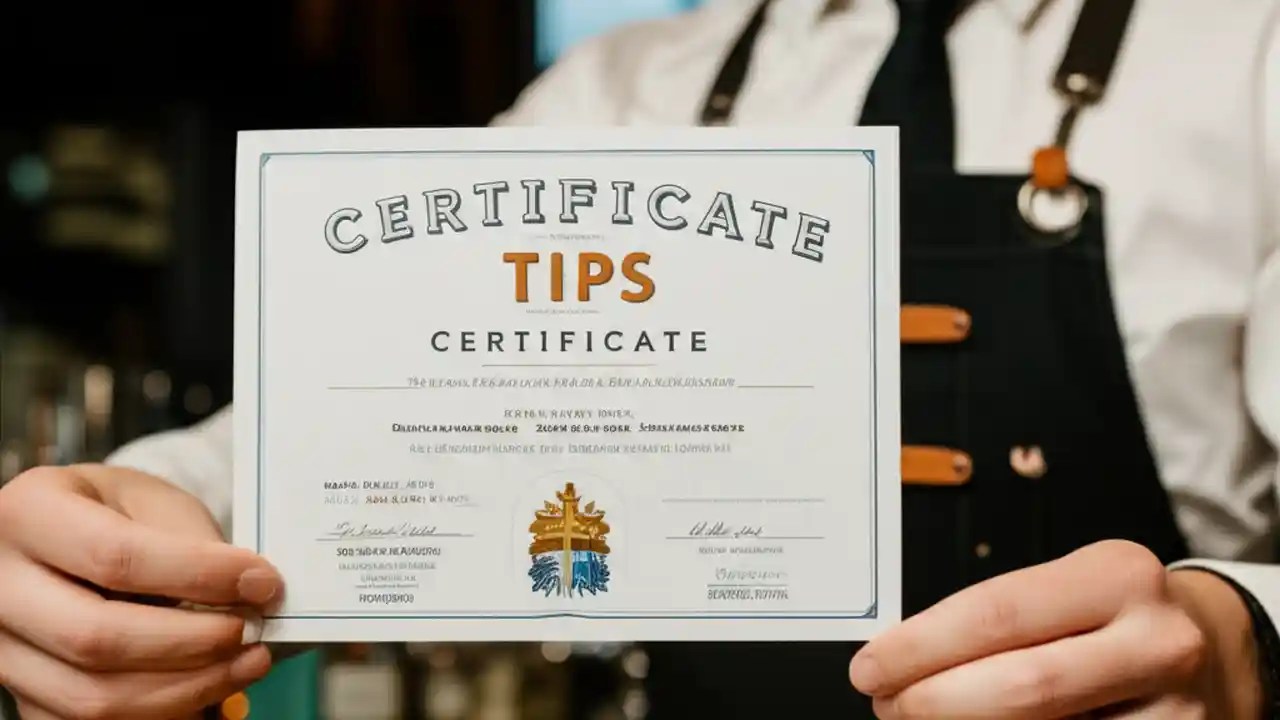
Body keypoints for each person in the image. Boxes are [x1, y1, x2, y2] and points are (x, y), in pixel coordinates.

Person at [1, 0, 1278, 717]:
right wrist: (139, 511)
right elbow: (349, 411)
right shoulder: (623, 88)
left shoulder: (1250, 54)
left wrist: (1241, 642)